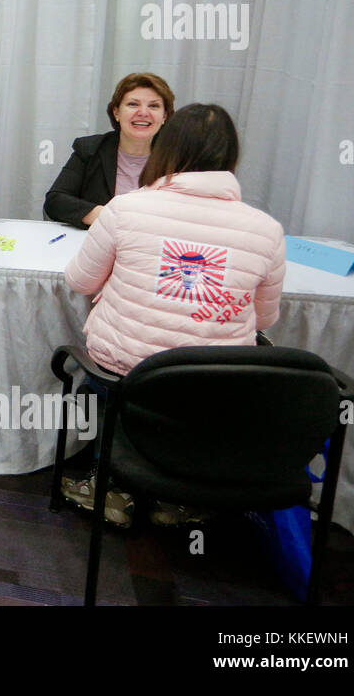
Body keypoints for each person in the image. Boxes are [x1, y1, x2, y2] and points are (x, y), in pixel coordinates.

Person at [60, 103, 285, 528]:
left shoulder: (126, 209)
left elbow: (80, 281)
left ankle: (113, 487)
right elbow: (266, 318)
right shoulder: (267, 229)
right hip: (214, 378)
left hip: (124, 371)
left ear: (166, 148)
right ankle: (180, 497)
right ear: (231, 158)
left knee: (115, 379)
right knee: (194, 398)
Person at [43, 72, 175, 228]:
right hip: (99, 244)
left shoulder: (178, 156)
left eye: (153, 106)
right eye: (133, 104)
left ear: (165, 116)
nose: (143, 113)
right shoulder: (91, 149)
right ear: (116, 112)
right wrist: (107, 216)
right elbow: (55, 201)